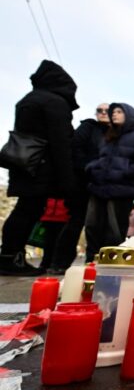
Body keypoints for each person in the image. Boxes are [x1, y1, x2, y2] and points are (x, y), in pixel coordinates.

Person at [0, 60, 77, 276]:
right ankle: (11, 258)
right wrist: (67, 181)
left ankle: (9, 255)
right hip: (42, 166)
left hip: (23, 162)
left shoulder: (28, 100)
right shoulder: (55, 103)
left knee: (23, 210)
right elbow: (60, 143)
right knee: (28, 212)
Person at [84, 103, 134, 255]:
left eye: (118, 111)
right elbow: (98, 158)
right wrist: (91, 168)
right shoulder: (107, 138)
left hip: (121, 191)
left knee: (114, 231)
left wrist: (126, 171)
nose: (114, 114)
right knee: (92, 227)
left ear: (129, 115)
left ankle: (111, 266)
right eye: (113, 112)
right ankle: (90, 264)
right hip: (98, 189)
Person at [47, 103, 111, 271]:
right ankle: (60, 263)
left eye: (107, 111)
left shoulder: (116, 134)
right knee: (76, 222)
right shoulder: (87, 127)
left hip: (102, 185)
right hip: (83, 182)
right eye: (100, 110)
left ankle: (93, 263)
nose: (103, 113)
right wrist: (89, 168)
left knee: (98, 225)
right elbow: (75, 150)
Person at [38, 198, 70, 272]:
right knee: (48, 243)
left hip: (63, 218)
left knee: (60, 244)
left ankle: (56, 264)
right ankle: (45, 264)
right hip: (47, 218)